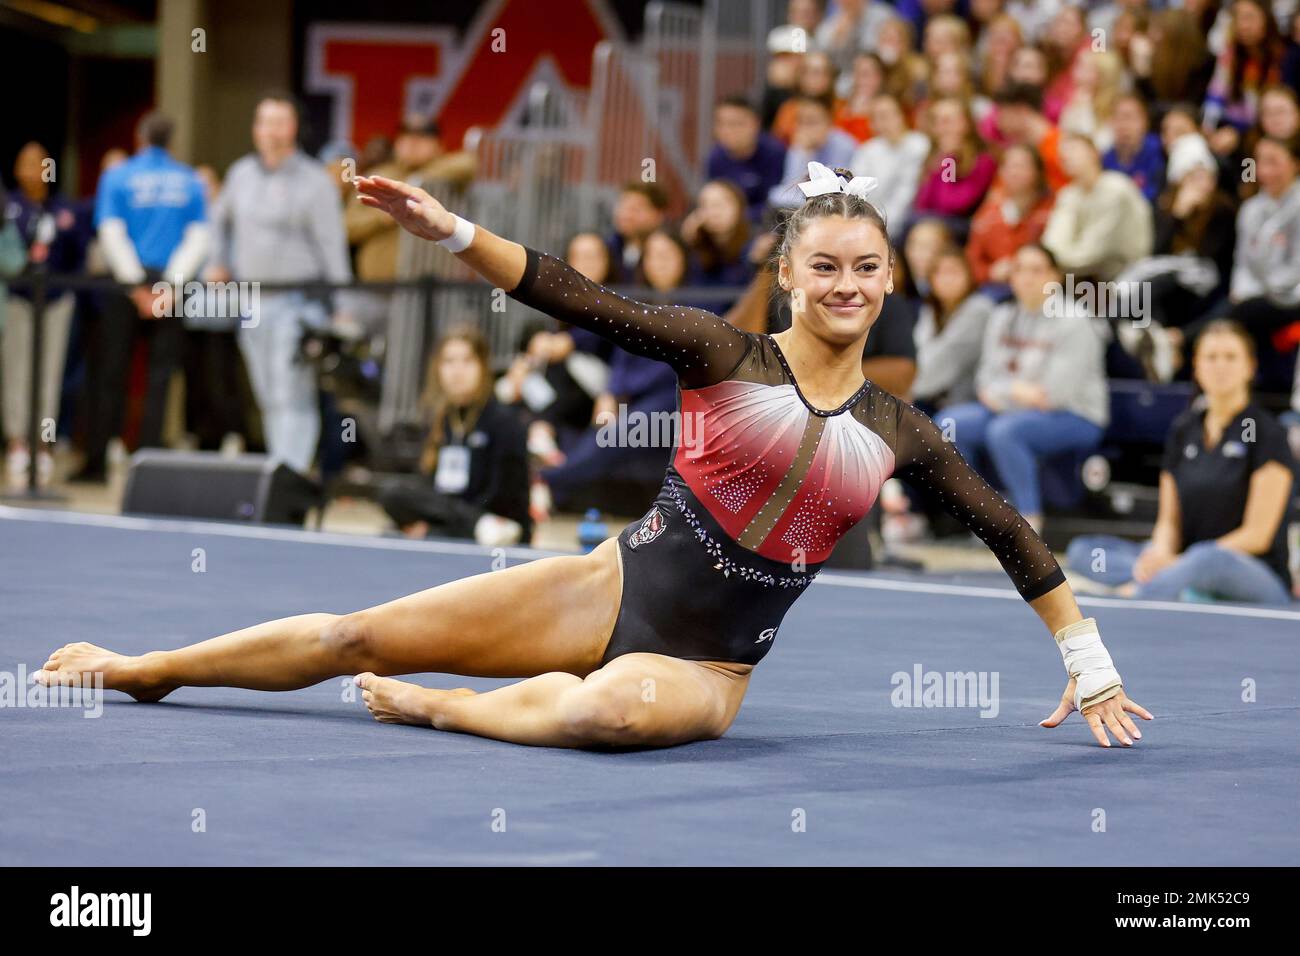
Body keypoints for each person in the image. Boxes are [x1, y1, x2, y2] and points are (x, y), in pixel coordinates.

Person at [35, 163, 1152, 752]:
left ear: (893, 279)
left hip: (704, 670)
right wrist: (455, 234)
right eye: (826, 266)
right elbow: (582, 297)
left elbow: (1008, 532)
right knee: (351, 632)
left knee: (606, 712)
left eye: (867, 266)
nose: (847, 283)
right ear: (790, 275)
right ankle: (149, 664)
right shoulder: (724, 352)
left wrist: (1086, 656)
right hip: (605, 582)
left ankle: (441, 707)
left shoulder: (898, 430)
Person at [1067, 320, 1295, 603]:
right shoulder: (1184, 429)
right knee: (1084, 551)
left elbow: (1257, 535)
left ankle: (1135, 595)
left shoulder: (1267, 433)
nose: (1220, 366)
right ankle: (1170, 586)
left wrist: (1181, 563)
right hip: (1183, 562)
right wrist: (1161, 555)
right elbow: (1169, 521)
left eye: (1230, 357)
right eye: (1211, 357)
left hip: (1249, 571)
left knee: (1207, 559)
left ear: (1250, 366)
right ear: (1196, 367)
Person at [206, 92, 352, 475]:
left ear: (292, 128)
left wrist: (342, 304)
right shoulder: (240, 174)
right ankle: (279, 469)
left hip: (297, 300)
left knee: (293, 393)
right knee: (267, 393)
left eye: (277, 121)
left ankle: (292, 473)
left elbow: (332, 245)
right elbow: (217, 224)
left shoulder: (314, 181)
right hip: (251, 300)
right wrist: (216, 262)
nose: (269, 130)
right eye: (263, 121)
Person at [72, 112, 208, 483]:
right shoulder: (189, 180)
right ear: (171, 141)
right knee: (161, 377)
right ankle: (149, 466)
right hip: (168, 284)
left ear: (139, 137)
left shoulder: (118, 176)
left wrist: (134, 287)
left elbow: (111, 233)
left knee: (110, 373)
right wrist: (170, 287)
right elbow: (198, 238)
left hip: (126, 287)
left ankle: (96, 462)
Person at [937, 243, 1110, 533]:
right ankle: (981, 517)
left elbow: (1055, 395)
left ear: (1054, 277)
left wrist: (1003, 393)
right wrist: (1016, 392)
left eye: (1036, 270)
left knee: (1005, 431)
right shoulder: (1001, 316)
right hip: (1012, 409)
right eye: (1020, 270)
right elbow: (985, 381)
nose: (1027, 278)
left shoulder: (1075, 321)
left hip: (1077, 415)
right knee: (949, 424)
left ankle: (1027, 525)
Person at [378, 326, 531, 547]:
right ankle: (460, 527)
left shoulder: (504, 421)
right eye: (449, 362)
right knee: (393, 494)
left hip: (499, 528)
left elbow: (503, 496)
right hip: (464, 524)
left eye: (467, 361)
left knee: (418, 534)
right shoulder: (438, 421)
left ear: (482, 366)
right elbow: (427, 487)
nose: (457, 371)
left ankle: (446, 530)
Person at [3, 142, 84, 489]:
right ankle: (17, 443)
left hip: (56, 302)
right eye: (25, 164)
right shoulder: (10, 209)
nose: (33, 170)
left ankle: (43, 445)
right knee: (16, 372)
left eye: (40, 164)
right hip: (19, 301)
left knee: (50, 375)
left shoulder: (64, 210)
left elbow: (77, 253)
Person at [706, 96, 787, 223]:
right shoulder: (715, 157)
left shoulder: (774, 153)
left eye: (736, 124)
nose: (727, 130)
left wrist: (735, 216)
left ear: (755, 124)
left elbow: (776, 203)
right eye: (721, 123)